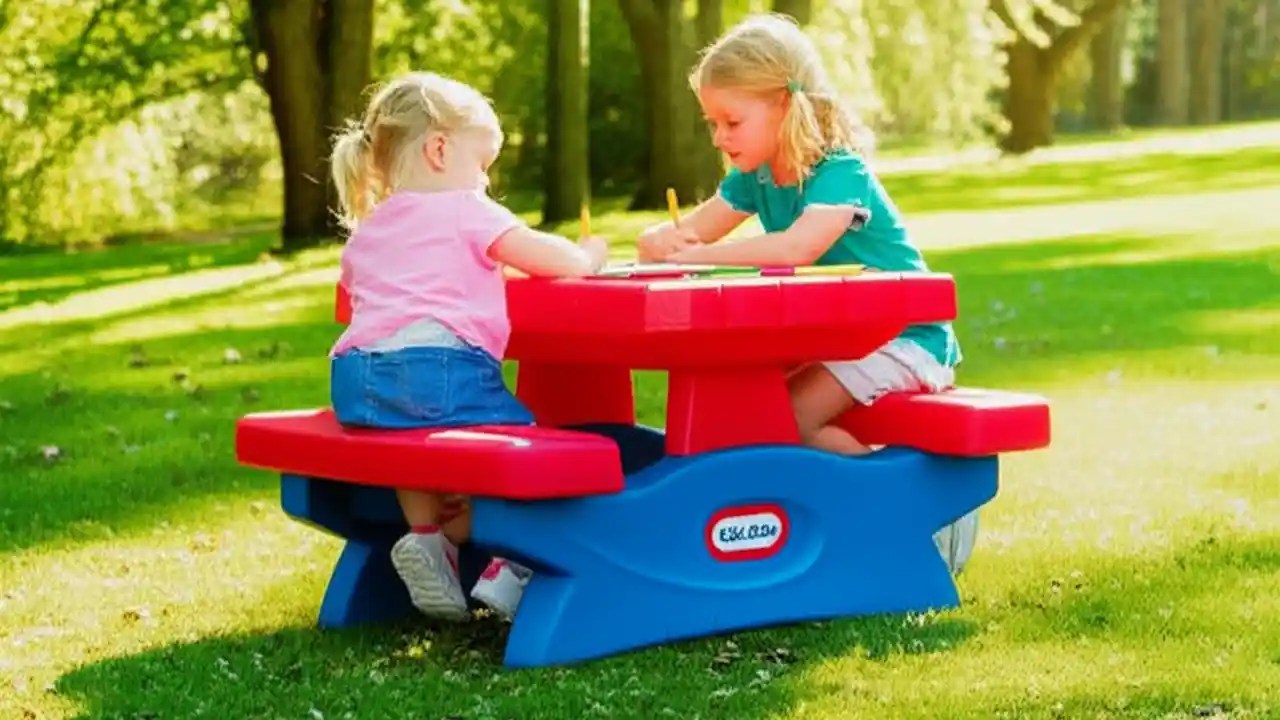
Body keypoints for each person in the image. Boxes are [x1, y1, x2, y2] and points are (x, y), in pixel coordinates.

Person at [637, 15, 976, 573]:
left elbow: (796, 247)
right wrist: (665, 239)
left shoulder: (840, 172)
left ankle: (921, 514)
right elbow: (697, 228)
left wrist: (695, 255)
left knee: (790, 416)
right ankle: (788, 535)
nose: (719, 138)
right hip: (845, 342)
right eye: (712, 123)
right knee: (752, 405)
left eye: (731, 121)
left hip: (903, 338)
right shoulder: (758, 177)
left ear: (782, 105)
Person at [328, 71, 609, 620]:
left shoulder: (370, 228)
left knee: (407, 436)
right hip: (434, 367)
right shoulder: (466, 210)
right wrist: (591, 253)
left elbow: (371, 295)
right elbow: (557, 262)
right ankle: (513, 563)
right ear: (439, 149)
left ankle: (427, 539)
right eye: (483, 166)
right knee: (525, 444)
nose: (485, 182)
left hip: (354, 379)